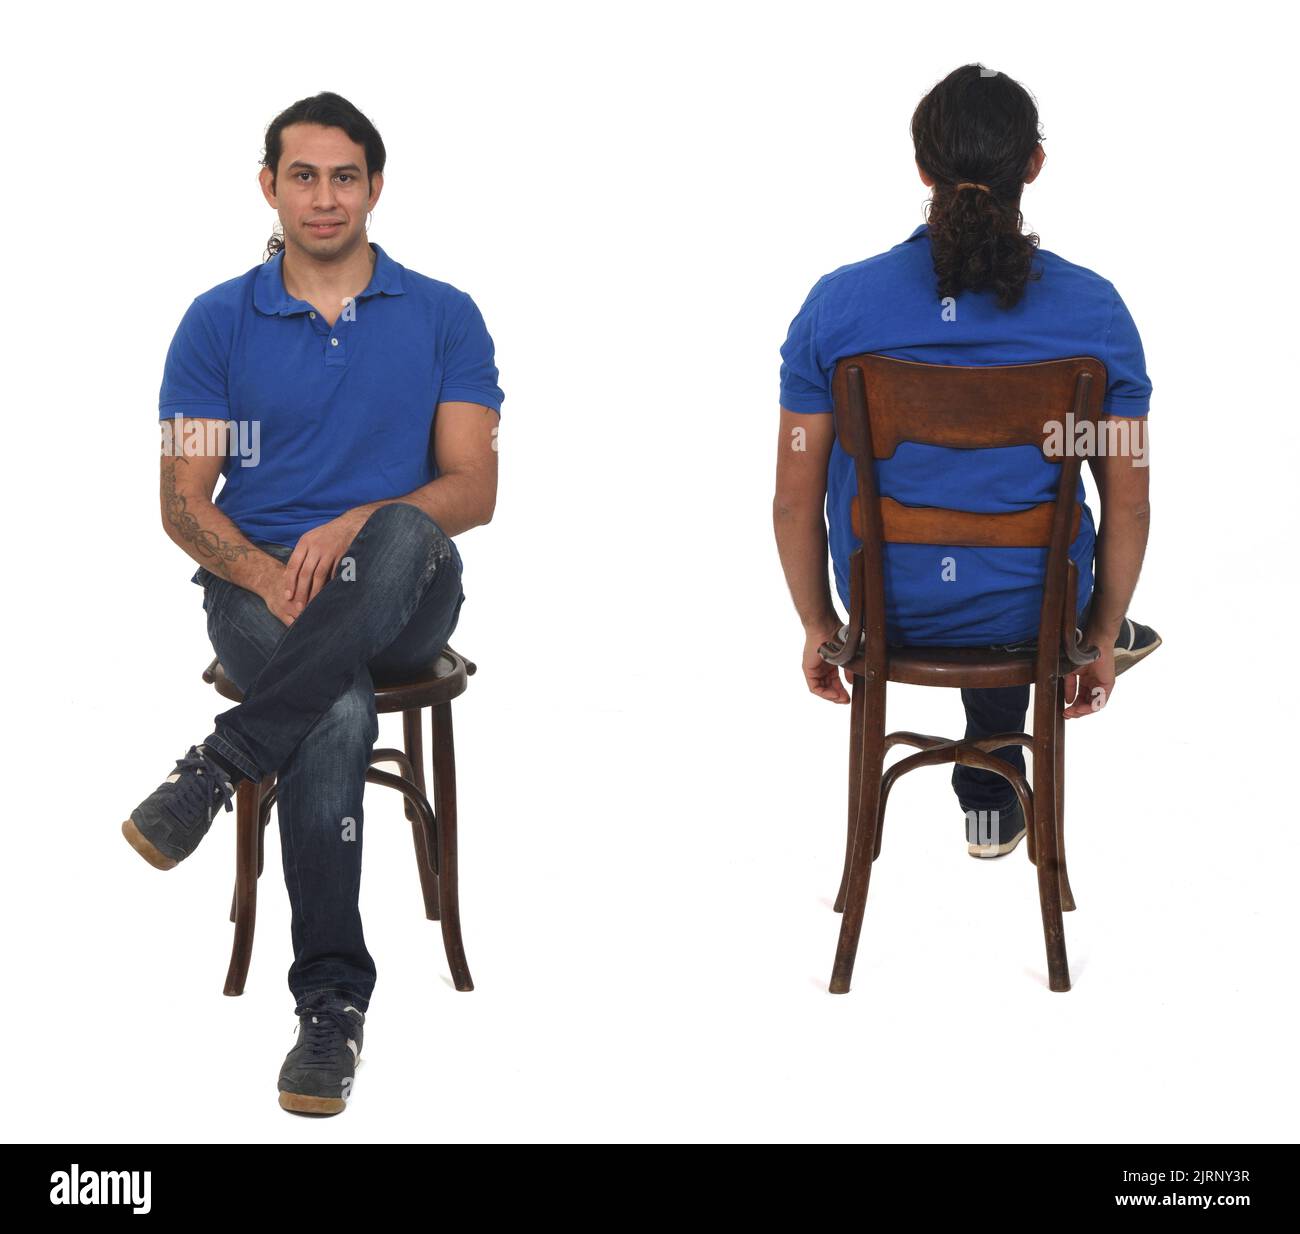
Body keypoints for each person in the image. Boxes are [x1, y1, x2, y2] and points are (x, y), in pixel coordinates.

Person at [120, 92, 504, 1115]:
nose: (325, 196)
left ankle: (223, 762)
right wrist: (264, 574)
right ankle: (332, 1003)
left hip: (404, 588)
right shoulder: (216, 320)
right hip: (258, 586)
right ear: (269, 187)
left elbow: (471, 487)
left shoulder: (443, 313)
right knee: (331, 708)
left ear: (375, 187)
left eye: (345, 176)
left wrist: (364, 521)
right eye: (304, 175)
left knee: (409, 530)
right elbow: (183, 501)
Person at [772, 63, 1158, 860]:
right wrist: (1094, 634)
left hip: (889, 608)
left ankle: (984, 787)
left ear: (921, 168)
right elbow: (1128, 505)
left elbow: (792, 499)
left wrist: (819, 625)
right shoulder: (1097, 315)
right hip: (1038, 611)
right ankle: (994, 779)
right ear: (1035, 166)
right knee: (1023, 563)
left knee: (963, 557)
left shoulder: (835, 307)